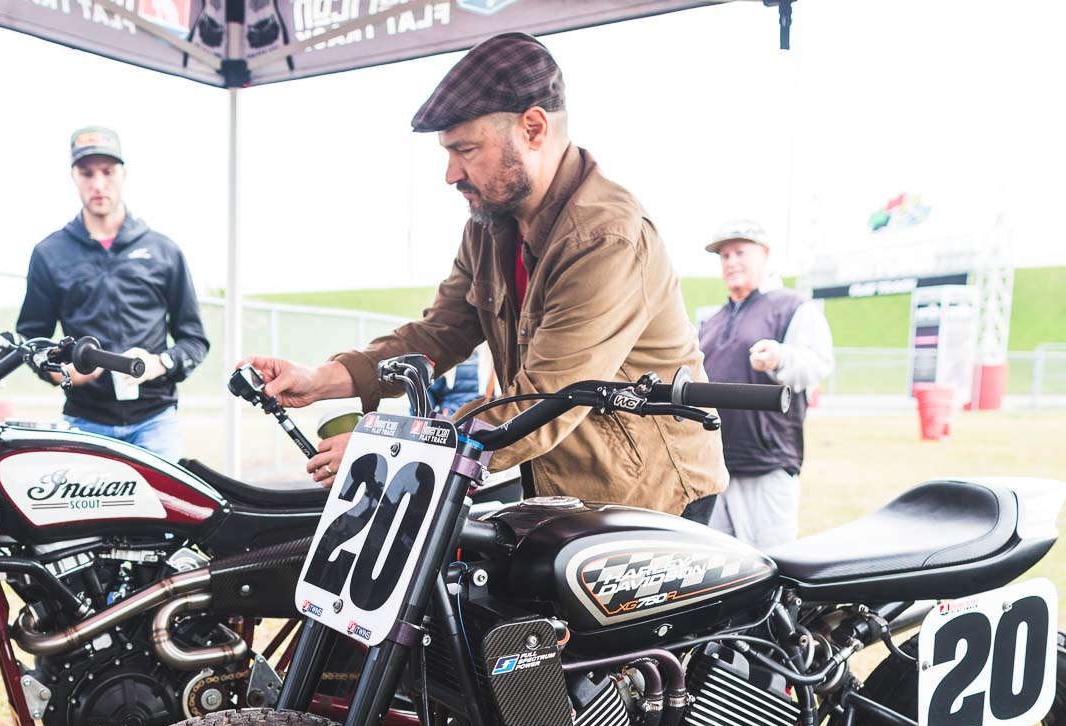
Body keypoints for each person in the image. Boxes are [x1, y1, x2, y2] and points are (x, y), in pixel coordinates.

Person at [242, 33, 725, 518]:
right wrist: (322, 378)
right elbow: (440, 333)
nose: (450, 174)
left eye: (466, 150)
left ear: (534, 129)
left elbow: (549, 397)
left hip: (651, 495)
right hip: (564, 486)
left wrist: (393, 450)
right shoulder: (491, 223)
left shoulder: (605, 238)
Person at [14, 126, 210, 460]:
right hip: (84, 423)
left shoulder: (163, 250)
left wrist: (159, 363)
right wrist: (64, 372)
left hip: (155, 422)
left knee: (167, 514)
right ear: (73, 176)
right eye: (87, 173)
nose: (98, 184)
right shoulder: (50, 252)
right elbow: (31, 340)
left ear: (124, 173)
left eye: (107, 172)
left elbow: (194, 340)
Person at [698, 218, 835, 549]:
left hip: (767, 461)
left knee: (771, 565)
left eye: (740, 253)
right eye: (724, 256)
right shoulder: (712, 321)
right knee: (718, 568)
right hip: (715, 466)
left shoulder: (793, 306)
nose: (730, 263)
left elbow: (818, 364)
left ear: (764, 254)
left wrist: (780, 358)